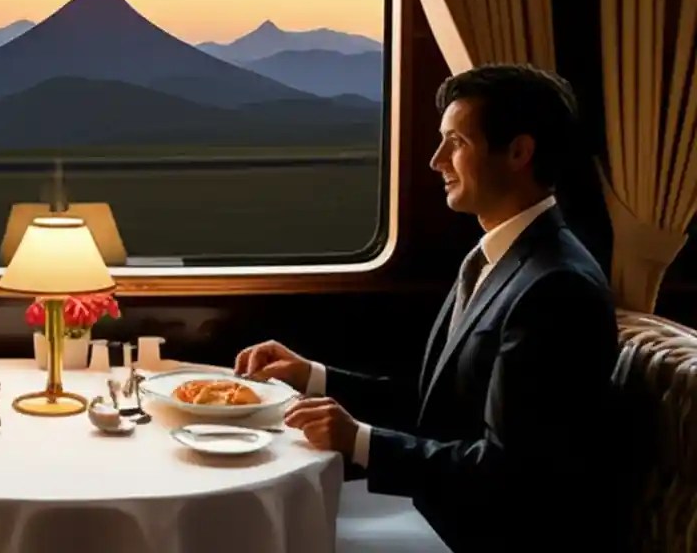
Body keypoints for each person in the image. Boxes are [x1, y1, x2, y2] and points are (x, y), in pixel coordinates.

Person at [235, 64, 621, 552]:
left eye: (456, 142)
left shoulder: (557, 288)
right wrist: (313, 376)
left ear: (520, 152)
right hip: (444, 509)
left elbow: (512, 474)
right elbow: (438, 403)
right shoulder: (498, 258)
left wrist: (359, 441)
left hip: (476, 534)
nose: (436, 160)